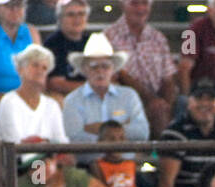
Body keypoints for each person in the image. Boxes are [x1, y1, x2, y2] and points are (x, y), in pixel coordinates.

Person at [62, 32, 146, 162]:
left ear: (113, 69)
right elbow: (73, 138)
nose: (100, 71)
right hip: (89, 167)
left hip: (127, 166)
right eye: (94, 66)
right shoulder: (72, 100)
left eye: (105, 66)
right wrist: (120, 133)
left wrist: (99, 130)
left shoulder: (129, 95)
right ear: (84, 69)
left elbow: (142, 133)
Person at [105, 0, 178, 134]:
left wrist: (166, 104)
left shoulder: (158, 37)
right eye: (135, 3)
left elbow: (168, 78)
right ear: (123, 5)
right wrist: (152, 100)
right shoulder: (108, 37)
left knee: (184, 104)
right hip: (125, 99)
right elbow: (119, 74)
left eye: (145, 4)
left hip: (158, 97)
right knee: (158, 109)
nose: (140, 9)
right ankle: (164, 151)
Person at [0, 45, 67, 144]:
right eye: (35, 65)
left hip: (50, 158)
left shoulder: (52, 105)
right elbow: (14, 143)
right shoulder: (9, 101)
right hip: (17, 159)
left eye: (44, 68)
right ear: (20, 69)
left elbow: (61, 141)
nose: (40, 70)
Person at [43, 0, 91, 97]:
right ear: (60, 19)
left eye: (81, 14)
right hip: (65, 98)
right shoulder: (53, 43)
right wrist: (92, 88)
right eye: (71, 15)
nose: (77, 19)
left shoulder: (92, 42)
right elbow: (55, 84)